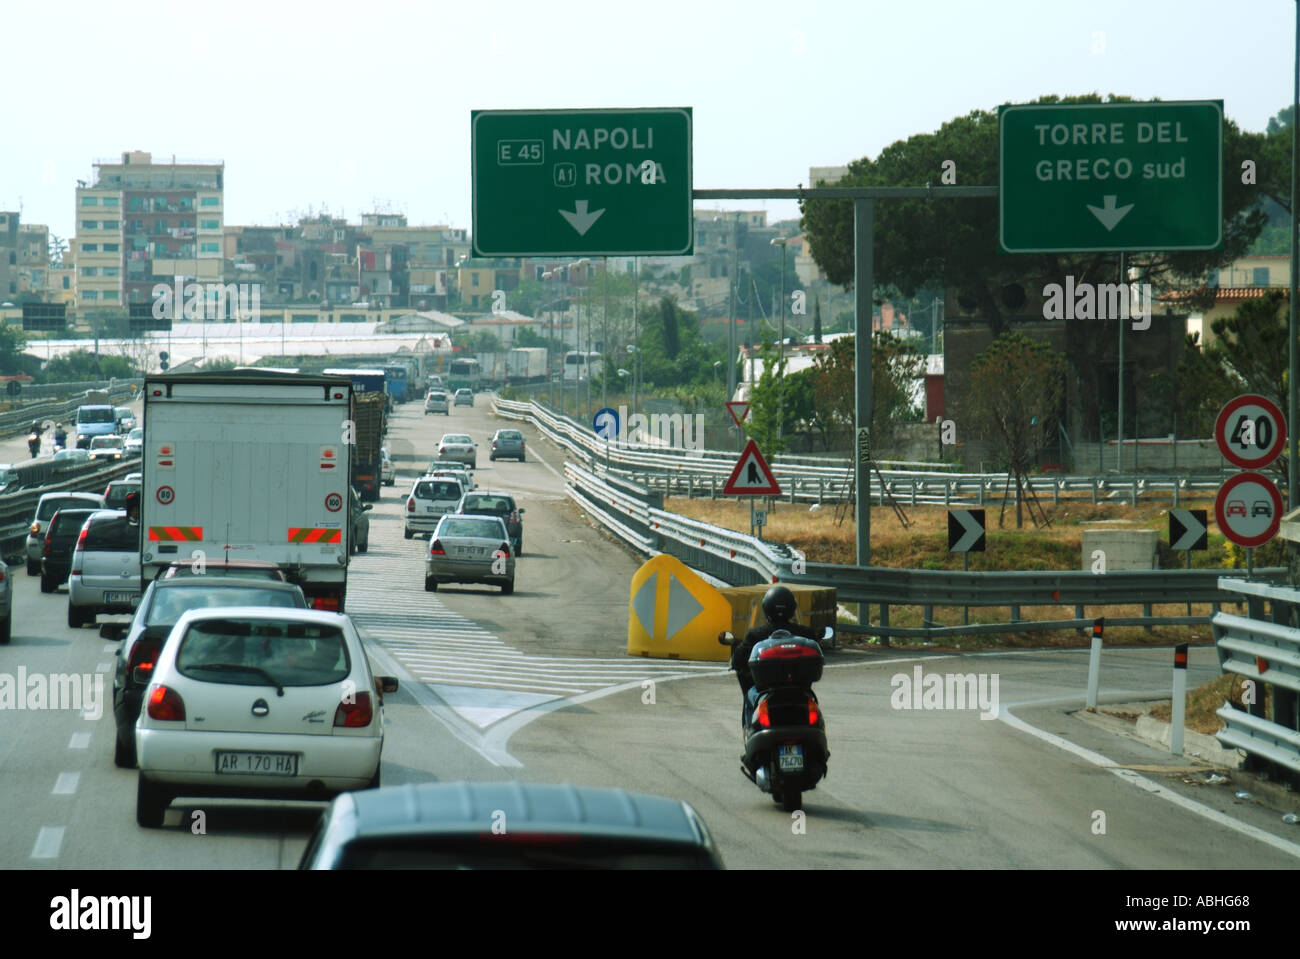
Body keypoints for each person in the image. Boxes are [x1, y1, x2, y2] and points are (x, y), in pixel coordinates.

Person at [730, 585, 823, 730]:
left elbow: (738, 662)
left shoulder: (756, 635)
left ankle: (749, 730)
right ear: (792, 608)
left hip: (766, 691)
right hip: (800, 691)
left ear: (766, 608)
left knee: (750, 696)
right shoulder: (806, 634)